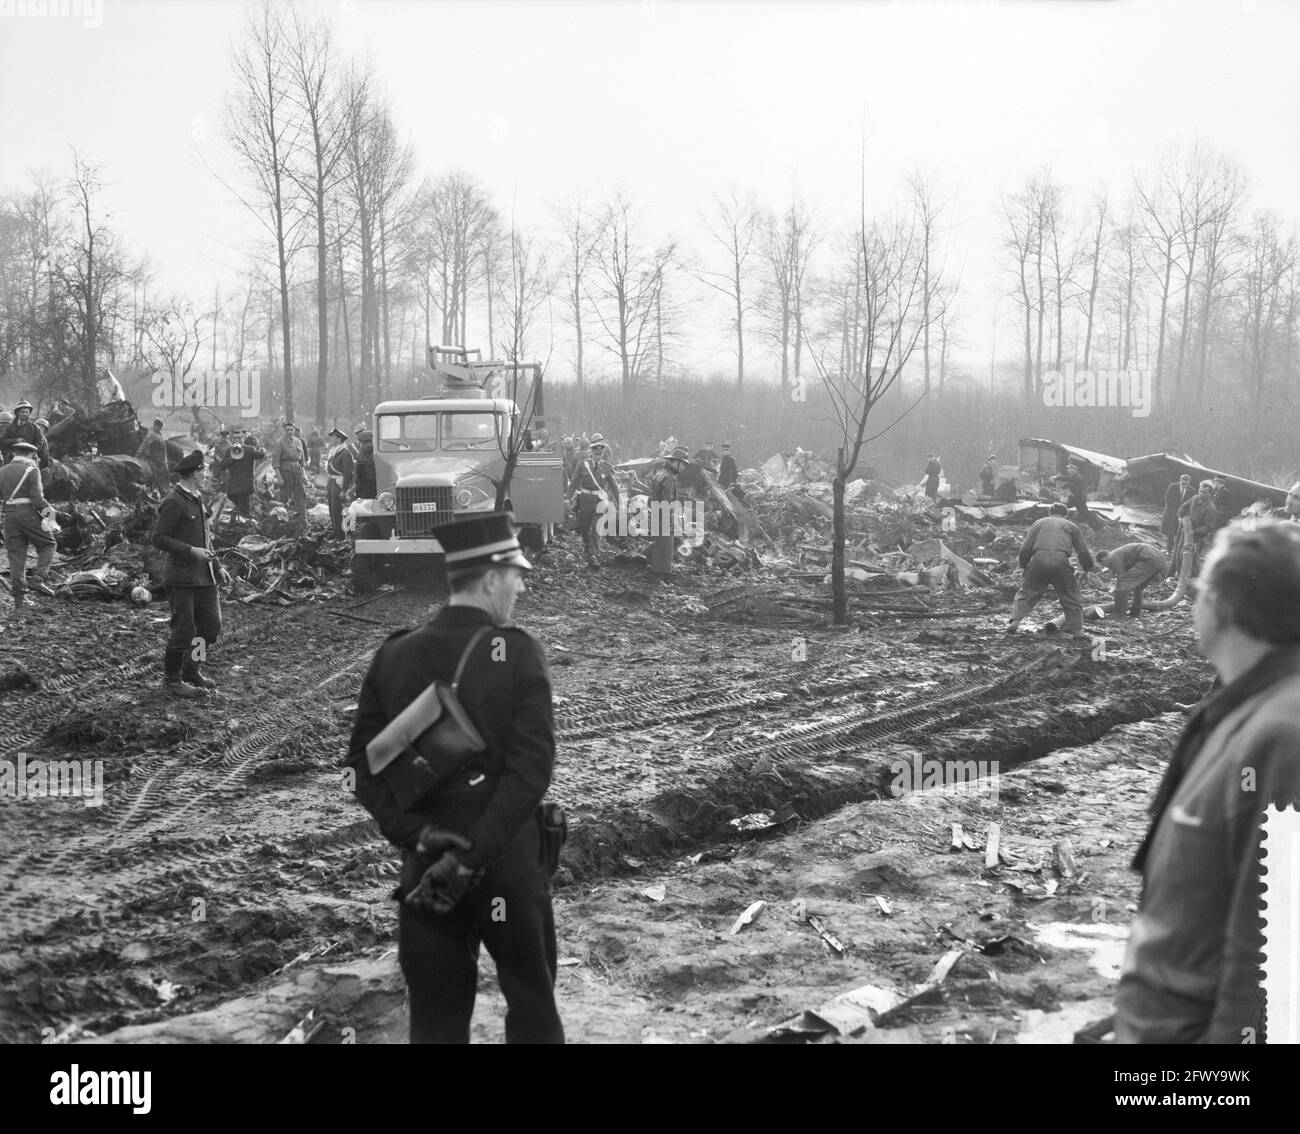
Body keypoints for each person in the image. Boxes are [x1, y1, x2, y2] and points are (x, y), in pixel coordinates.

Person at [346, 513, 564, 1044]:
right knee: (532, 1008)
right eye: (516, 574)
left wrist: (418, 836)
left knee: (437, 1023)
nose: (521, 584)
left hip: (429, 874)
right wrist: (472, 858)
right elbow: (530, 770)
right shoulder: (515, 650)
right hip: (506, 868)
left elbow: (361, 772)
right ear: (491, 578)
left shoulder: (395, 654)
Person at [1116, 520, 1300, 1043]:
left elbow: (1272, 949)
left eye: (1199, 591)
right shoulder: (1243, 706)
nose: (1194, 602)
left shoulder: (1284, 737)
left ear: (1221, 606)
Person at [150, 450, 223, 697]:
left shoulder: (197, 499)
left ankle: (192, 669)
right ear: (196, 472)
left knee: (210, 627)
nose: (207, 475)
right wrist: (191, 551)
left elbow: (206, 537)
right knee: (183, 630)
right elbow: (158, 538)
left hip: (205, 577)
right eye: (204, 471)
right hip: (181, 578)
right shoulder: (174, 501)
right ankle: (172, 681)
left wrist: (219, 567)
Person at [1005, 502, 1095, 634]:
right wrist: (1087, 568)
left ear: (1050, 513)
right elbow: (1083, 551)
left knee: (1027, 591)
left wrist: (1024, 565)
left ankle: (1015, 622)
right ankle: (1077, 631)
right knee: (1070, 594)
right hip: (1060, 561)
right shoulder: (1071, 526)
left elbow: (1025, 548)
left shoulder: (1038, 523)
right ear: (1065, 515)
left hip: (1038, 559)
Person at [1, 440, 57, 616]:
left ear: (14, 454)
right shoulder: (32, 470)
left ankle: (19, 602)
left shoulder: (2, 471)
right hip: (27, 514)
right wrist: (52, 515)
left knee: (16, 557)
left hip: (9, 516)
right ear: (31, 455)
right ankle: (38, 579)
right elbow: (37, 500)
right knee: (49, 544)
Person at [648, 446, 689, 583]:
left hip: (655, 513)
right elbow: (668, 502)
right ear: (675, 462)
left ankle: (652, 567)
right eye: (682, 464)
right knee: (665, 548)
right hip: (663, 516)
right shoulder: (669, 477)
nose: (683, 468)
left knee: (660, 544)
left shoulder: (660, 473)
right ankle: (659, 577)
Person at [1096, 543, 1167, 617]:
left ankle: (1119, 612)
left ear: (1104, 559)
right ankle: (1136, 611)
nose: (1109, 567)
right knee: (1138, 586)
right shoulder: (1117, 554)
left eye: (1107, 565)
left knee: (1123, 583)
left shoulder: (1113, 557)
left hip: (1148, 559)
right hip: (1159, 559)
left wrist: (1117, 590)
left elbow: (1121, 577)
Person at [216, 429, 265, 518]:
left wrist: (262, 449)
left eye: (239, 438)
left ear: (243, 439)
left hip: (245, 487)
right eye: (235, 438)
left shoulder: (250, 449)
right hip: (233, 488)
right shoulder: (229, 451)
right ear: (232, 440)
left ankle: (244, 529)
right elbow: (222, 466)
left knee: (244, 513)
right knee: (233, 512)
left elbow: (260, 455)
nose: (237, 440)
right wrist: (232, 458)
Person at [1, 400, 50, 469]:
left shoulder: (35, 428)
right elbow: (3, 440)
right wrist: (15, 441)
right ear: (17, 413)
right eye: (22, 412)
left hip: (29, 458)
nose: (25, 414)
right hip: (11, 457)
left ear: (29, 413)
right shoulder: (10, 427)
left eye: (27, 412)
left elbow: (39, 442)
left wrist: (31, 451)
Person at [1182, 480, 1219, 570]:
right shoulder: (1195, 498)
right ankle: (1171, 576)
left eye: (1204, 492)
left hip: (1197, 538)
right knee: (1178, 555)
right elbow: (1184, 507)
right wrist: (1181, 517)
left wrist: (1192, 531)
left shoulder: (1211, 509)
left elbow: (1207, 527)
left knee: (1192, 560)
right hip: (1185, 532)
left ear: (1210, 494)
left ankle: (1193, 577)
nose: (1201, 494)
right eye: (1200, 491)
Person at [324, 426, 354, 538]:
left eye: (333, 437)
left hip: (339, 484)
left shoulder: (344, 453)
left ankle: (343, 534)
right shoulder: (334, 452)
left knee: (340, 509)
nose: (331, 439)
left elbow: (348, 473)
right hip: (332, 482)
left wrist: (344, 490)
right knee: (332, 509)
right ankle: (336, 531)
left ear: (338, 439)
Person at [274, 423, 309, 516]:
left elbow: (302, 460)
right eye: (287, 430)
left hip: (297, 470)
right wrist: (279, 477)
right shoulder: (279, 442)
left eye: (291, 430)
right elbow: (276, 462)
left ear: (294, 430)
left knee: (300, 494)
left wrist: (304, 474)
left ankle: (302, 518)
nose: (289, 432)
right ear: (284, 431)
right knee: (284, 495)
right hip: (285, 471)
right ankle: (282, 517)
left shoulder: (298, 441)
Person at [136, 419, 171, 491]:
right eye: (160, 427)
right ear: (155, 425)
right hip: (157, 460)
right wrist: (138, 455)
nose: (161, 429)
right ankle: (163, 492)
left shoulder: (156, 433)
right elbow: (144, 445)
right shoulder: (152, 434)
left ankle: (164, 491)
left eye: (161, 427)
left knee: (164, 476)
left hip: (161, 459)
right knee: (161, 476)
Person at [1162, 475, 1194, 553]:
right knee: (1170, 531)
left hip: (1182, 515)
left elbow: (1191, 503)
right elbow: (1167, 497)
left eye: (1186, 483)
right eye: (1183, 482)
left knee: (1179, 532)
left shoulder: (1192, 490)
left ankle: (1176, 549)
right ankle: (1169, 549)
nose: (1184, 485)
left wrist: (1184, 513)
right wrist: (1171, 508)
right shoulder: (1172, 487)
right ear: (1180, 480)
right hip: (1171, 513)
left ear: (1189, 482)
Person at [1063, 462, 1099, 530]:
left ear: (1074, 470)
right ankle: (1096, 526)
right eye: (1068, 470)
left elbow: (1079, 490)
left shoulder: (1078, 478)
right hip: (1078, 499)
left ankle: (1097, 526)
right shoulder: (1074, 476)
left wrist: (1072, 495)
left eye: (1069, 470)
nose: (1068, 472)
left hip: (1078, 499)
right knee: (1085, 513)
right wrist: (1058, 477)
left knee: (1063, 507)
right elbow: (1067, 478)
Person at [354, 429, 377, 499]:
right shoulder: (362, 452)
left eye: (362, 443)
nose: (362, 445)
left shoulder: (372, 452)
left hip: (371, 484)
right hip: (363, 483)